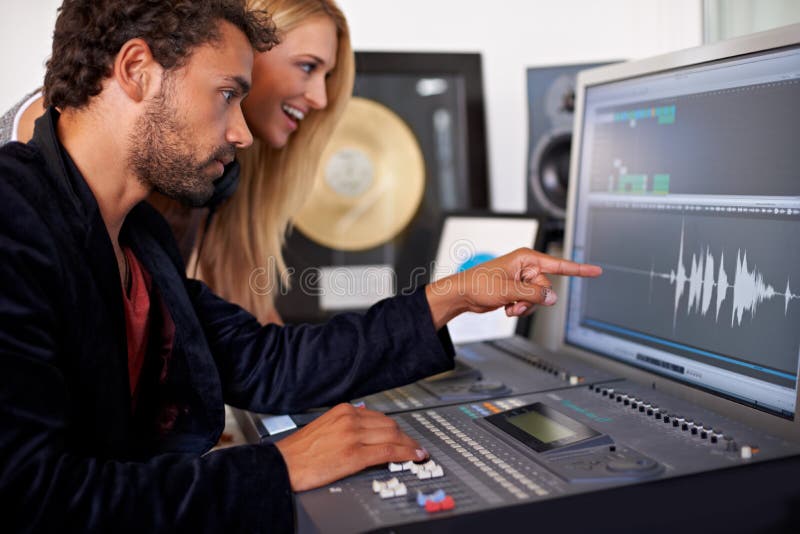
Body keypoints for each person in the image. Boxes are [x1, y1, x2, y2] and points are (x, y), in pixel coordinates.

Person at [0, 1, 602, 532]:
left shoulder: (140, 237)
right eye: (228, 93)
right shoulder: (14, 218)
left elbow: (266, 361)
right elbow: (31, 500)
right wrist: (278, 466)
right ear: (137, 71)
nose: (240, 132)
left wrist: (452, 296)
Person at [0, 0, 352, 326]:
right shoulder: (105, 150)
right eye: (307, 67)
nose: (320, 98)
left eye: (327, 76)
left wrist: (307, 393)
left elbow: (244, 335)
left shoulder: (204, 163)